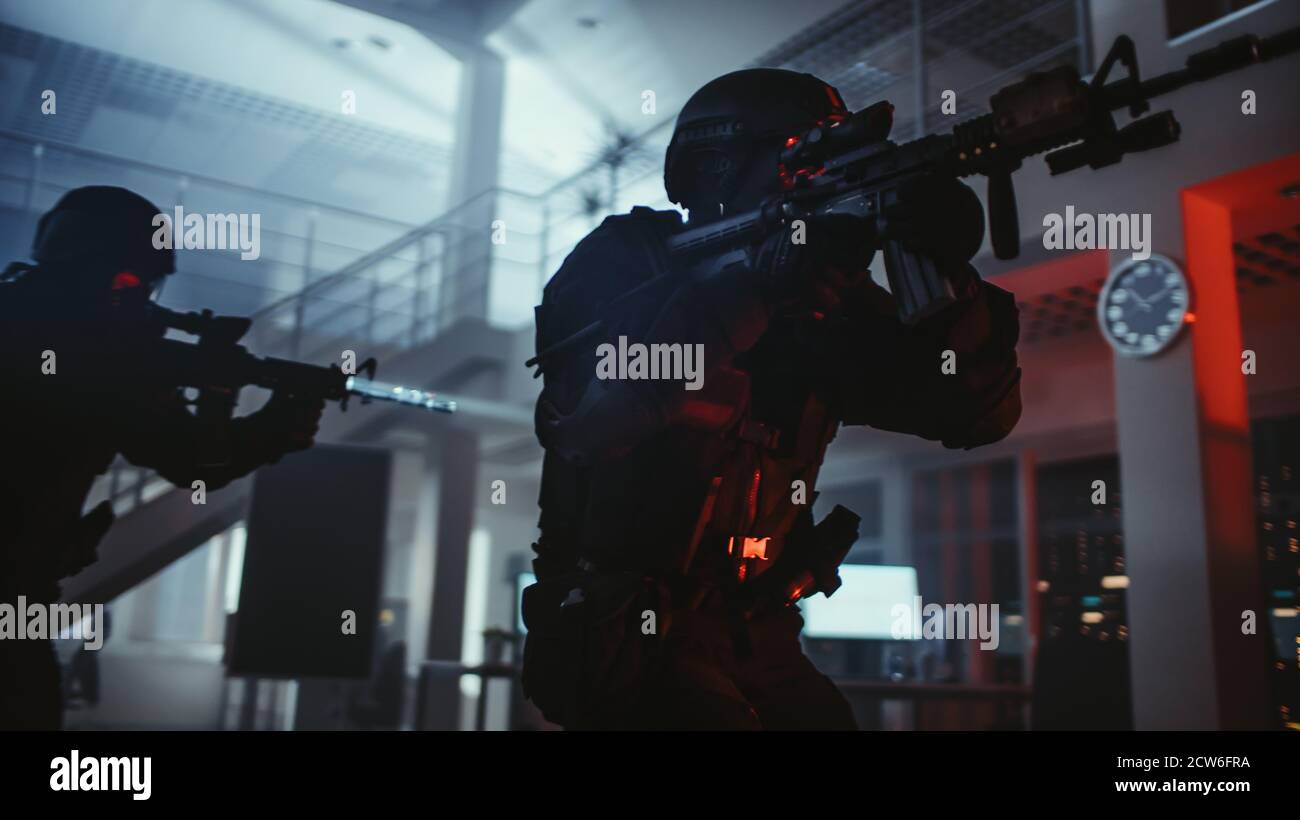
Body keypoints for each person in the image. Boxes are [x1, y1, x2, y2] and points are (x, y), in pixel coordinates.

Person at [523, 70, 1022, 729]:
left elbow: (972, 413)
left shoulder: (818, 295)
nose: (817, 180)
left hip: (759, 632)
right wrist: (756, 291)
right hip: (623, 632)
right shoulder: (627, 262)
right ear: (718, 171)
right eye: (801, 159)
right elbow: (599, 420)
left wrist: (949, 278)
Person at [0, 186, 323, 729]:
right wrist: (256, 418)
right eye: (131, 281)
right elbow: (196, 460)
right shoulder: (102, 353)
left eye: (147, 285)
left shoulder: (36, 318)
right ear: (97, 267)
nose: (142, 297)